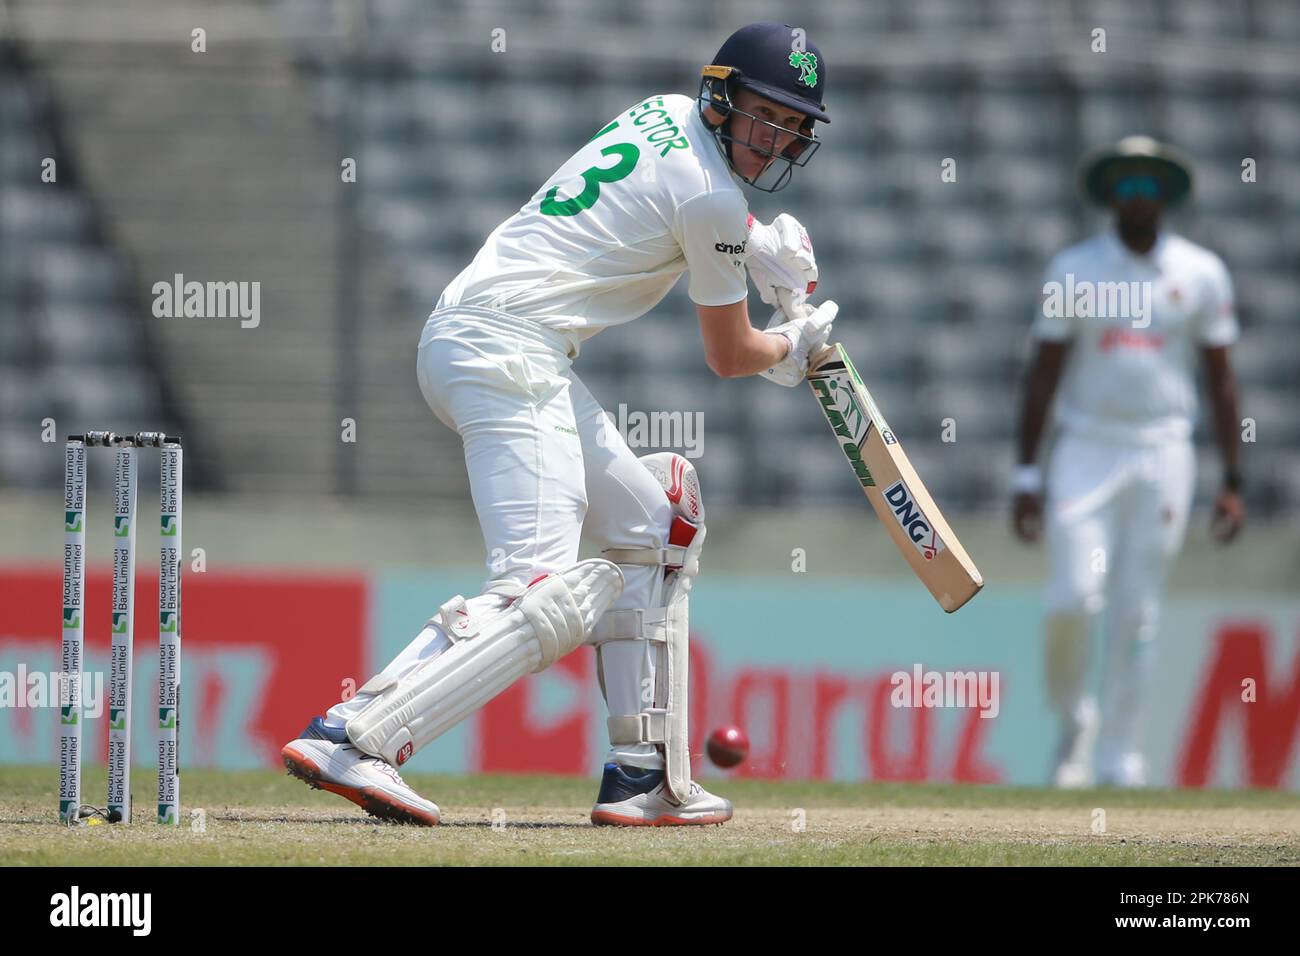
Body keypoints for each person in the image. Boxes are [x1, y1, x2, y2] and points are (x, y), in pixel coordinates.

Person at [280, 22, 838, 825]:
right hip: (508, 353)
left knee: (657, 525)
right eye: (764, 114)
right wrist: (796, 341)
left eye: (793, 127)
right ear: (721, 97)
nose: (775, 139)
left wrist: (758, 248)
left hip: (486, 339)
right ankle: (354, 737)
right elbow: (730, 352)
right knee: (538, 586)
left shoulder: (665, 112)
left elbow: (683, 206)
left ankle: (640, 775)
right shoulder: (715, 197)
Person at [1013, 136, 1245, 788]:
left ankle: (1120, 753)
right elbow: (1043, 373)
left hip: (1164, 452)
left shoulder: (1200, 273)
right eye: (1127, 184)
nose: (1139, 197)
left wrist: (1233, 479)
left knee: (1138, 609)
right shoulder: (1074, 270)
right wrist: (1026, 474)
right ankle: (1074, 726)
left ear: (1166, 196)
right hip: (1085, 449)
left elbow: (1223, 379)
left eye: (1151, 185)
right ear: (1110, 192)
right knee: (1072, 598)